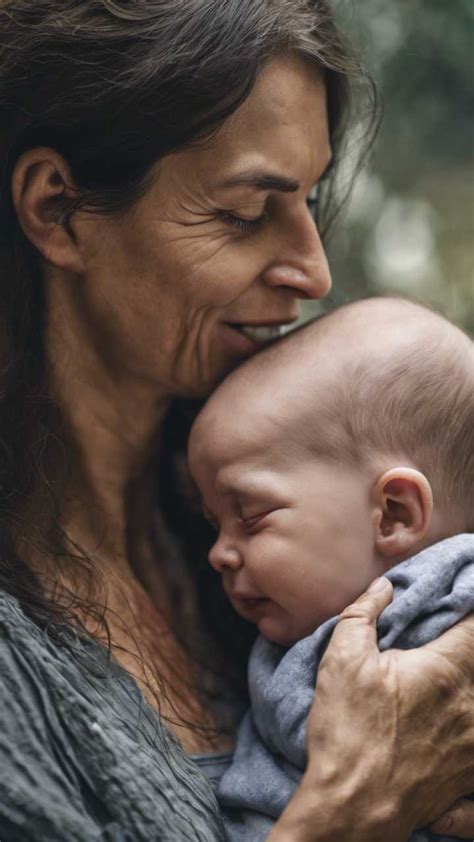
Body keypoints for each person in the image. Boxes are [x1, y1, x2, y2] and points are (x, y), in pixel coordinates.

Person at [0, 1, 473, 839]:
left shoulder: (306, 517)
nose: (316, 272)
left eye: (312, 200)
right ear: (58, 207)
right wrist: (356, 808)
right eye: (247, 214)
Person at [188, 295, 474, 840]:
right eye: (213, 525)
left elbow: (316, 735)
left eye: (250, 516)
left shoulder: (420, 606)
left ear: (393, 513)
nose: (218, 553)